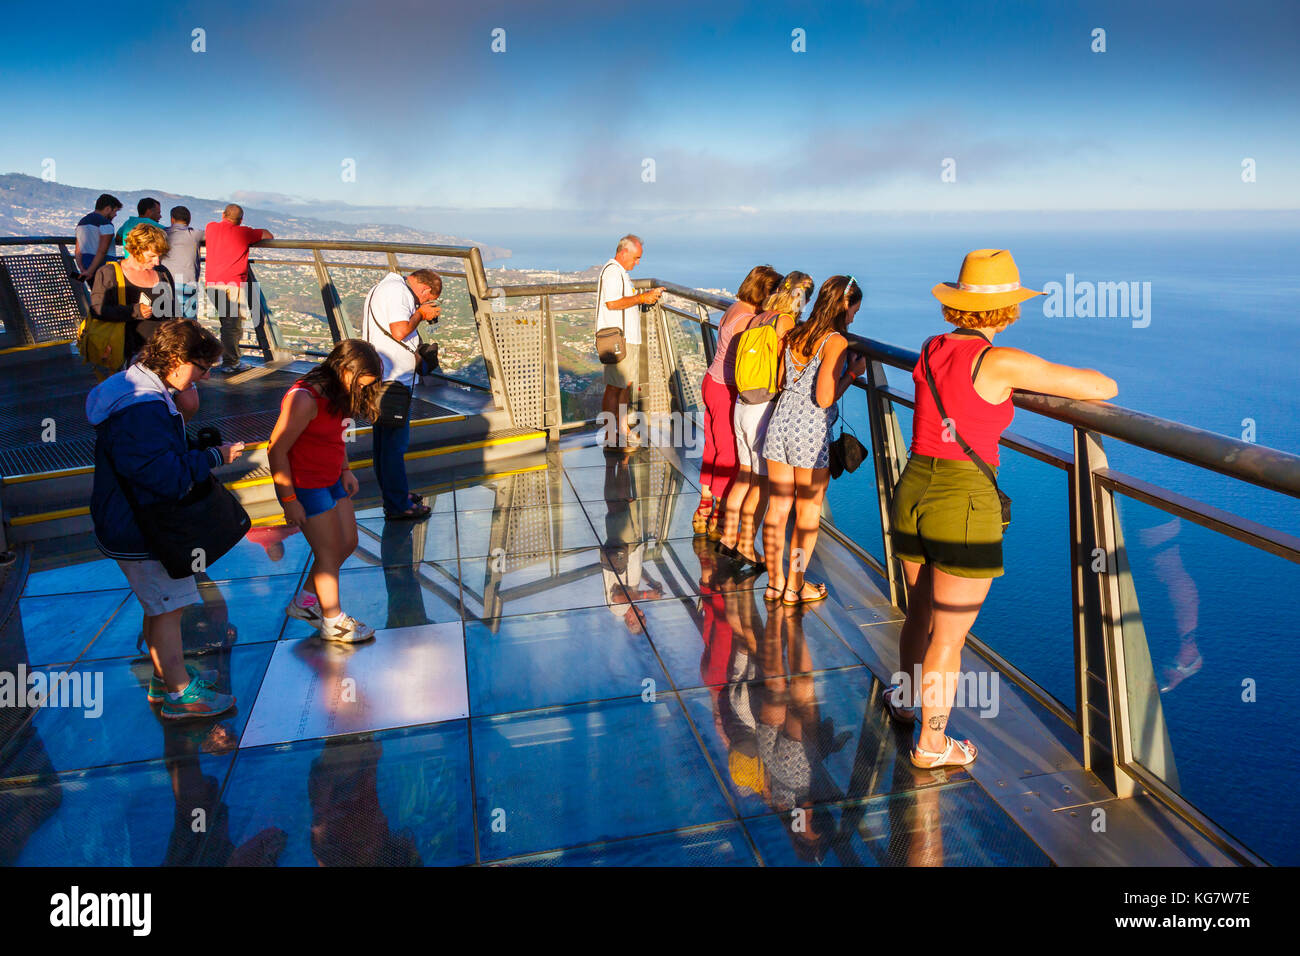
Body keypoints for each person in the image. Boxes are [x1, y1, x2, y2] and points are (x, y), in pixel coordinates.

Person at [886, 249, 1118, 770]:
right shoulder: (1001, 361)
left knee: (918, 610)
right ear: (1008, 309)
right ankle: (932, 744)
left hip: (914, 486)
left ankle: (903, 703)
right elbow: (1102, 387)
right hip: (962, 503)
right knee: (949, 634)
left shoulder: (930, 346)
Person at [85, 320, 247, 719]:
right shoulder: (144, 408)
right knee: (169, 609)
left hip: (127, 520)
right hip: (142, 529)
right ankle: (180, 694)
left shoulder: (132, 388)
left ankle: (164, 678)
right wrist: (213, 458)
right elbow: (164, 477)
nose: (205, 377)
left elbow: (148, 460)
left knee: (159, 606)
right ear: (174, 360)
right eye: (201, 368)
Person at [761, 275, 868, 606]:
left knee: (778, 507)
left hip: (780, 423)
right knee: (807, 515)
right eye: (854, 311)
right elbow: (824, 398)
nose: (854, 318)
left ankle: (774, 583)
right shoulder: (835, 341)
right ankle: (795, 585)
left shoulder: (798, 331)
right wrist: (852, 374)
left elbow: (781, 380)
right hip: (809, 431)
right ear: (844, 306)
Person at [270, 339, 383, 643]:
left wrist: (346, 470)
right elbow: (276, 450)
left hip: (332, 477)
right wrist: (288, 500)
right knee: (328, 552)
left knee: (347, 542)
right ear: (345, 369)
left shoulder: (338, 392)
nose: (361, 390)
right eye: (361, 383)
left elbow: (336, 437)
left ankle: (305, 602)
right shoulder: (303, 398)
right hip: (307, 485)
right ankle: (332, 619)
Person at [716, 272, 814, 570]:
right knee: (760, 481)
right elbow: (788, 368)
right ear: (800, 297)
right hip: (763, 406)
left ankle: (728, 537)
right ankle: (747, 545)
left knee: (745, 474)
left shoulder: (758, 317)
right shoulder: (784, 322)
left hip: (743, 402)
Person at [695, 265, 783, 538]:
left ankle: (704, 507)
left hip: (711, 381)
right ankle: (719, 517)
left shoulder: (735, 308)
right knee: (729, 455)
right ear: (765, 291)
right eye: (774, 291)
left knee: (712, 447)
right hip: (725, 389)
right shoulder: (749, 318)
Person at [362, 268, 442, 520]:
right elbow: (399, 331)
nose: (424, 303)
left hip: (383, 376)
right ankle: (398, 505)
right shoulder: (398, 292)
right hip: (393, 381)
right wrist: (420, 313)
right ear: (425, 290)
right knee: (394, 446)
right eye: (426, 299)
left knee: (384, 445)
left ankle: (395, 495)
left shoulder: (385, 287)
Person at [596, 235, 664, 449]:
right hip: (619, 339)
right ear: (624, 252)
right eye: (636, 257)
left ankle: (622, 430)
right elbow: (613, 303)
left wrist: (643, 298)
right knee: (614, 387)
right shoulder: (613, 272)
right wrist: (642, 298)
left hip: (626, 339)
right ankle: (610, 433)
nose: (638, 262)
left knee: (623, 386)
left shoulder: (620, 273)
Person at [89, 223, 178, 363]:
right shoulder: (109, 273)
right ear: (136, 249)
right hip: (125, 350)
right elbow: (97, 310)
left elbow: (172, 311)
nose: (157, 261)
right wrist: (134, 311)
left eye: (160, 256)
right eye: (152, 256)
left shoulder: (163, 273)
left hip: (161, 352)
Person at [204, 203, 274, 373]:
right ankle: (230, 362)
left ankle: (227, 358)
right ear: (241, 220)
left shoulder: (211, 227)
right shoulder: (244, 232)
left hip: (212, 282)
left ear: (223, 215)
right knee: (232, 325)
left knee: (226, 322)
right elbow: (269, 235)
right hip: (233, 283)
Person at [162, 205, 202, 319]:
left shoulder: (163, 233)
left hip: (167, 282)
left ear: (172, 219)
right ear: (189, 220)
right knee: (190, 322)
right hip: (188, 282)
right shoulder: (194, 234)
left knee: (169, 319)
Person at [75, 193, 122, 280]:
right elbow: (102, 251)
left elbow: (78, 251)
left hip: (86, 267)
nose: (115, 215)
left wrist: (82, 269)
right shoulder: (106, 224)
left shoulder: (81, 223)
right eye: (115, 211)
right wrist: (91, 271)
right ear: (108, 209)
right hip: (105, 269)